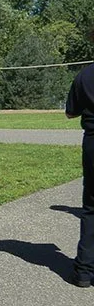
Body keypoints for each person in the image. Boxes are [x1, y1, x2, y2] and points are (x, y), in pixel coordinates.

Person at [66, 62, 94, 287]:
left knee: (91, 208)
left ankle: (84, 271)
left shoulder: (84, 75)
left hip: (92, 143)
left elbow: (70, 112)